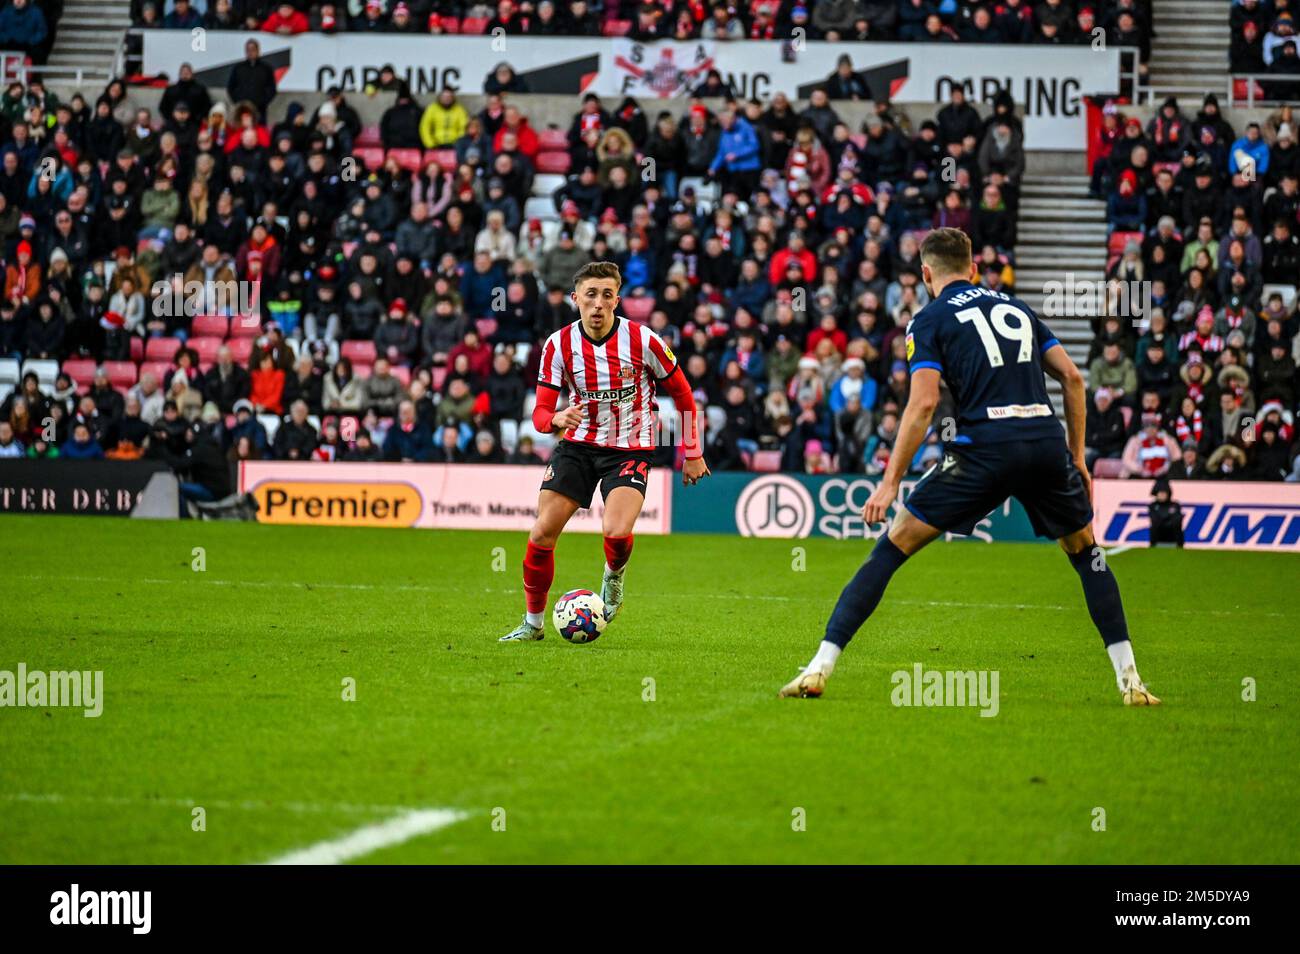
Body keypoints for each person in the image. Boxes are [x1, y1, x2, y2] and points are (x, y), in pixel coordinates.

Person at [778, 228, 1160, 706]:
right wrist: (1077, 457)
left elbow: (921, 406)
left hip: (984, 448)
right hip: (1043, 442)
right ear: (974, 268)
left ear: (925, 275)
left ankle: (819, 668)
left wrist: (889, 482)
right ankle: (1131, 681)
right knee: (1088, 555)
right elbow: (1073, 378)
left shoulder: (929, 320)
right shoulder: (1018, 308)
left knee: (891, 549)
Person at [499, 261, 711, 642]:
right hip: (578, 445)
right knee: (542, 533)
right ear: (575, 298)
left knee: (615, 532)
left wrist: (691, 451)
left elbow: (682, 393)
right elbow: (540, 413)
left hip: (629, 448)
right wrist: (556, 419)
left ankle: (613, 575)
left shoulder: (644, 341)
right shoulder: (558, 345)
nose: (598, 303)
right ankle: (532, 624)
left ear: (617, 299)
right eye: (591, 294)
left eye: (607, 295)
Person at [1147, 477, 1184, 546]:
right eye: (1160, 493)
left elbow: (1177, 521)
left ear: (1168, 493)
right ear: (1156, 494)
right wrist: (1167, 519)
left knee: (1177, 527)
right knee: (1153, 528)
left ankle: (1179, 546)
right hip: (1158, 536)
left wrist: (1164, 521)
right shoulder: (1153, 506)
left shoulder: (1175, 505)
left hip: (1173, 537)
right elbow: (1154, 521)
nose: (1162, 495)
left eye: (1164, 493)